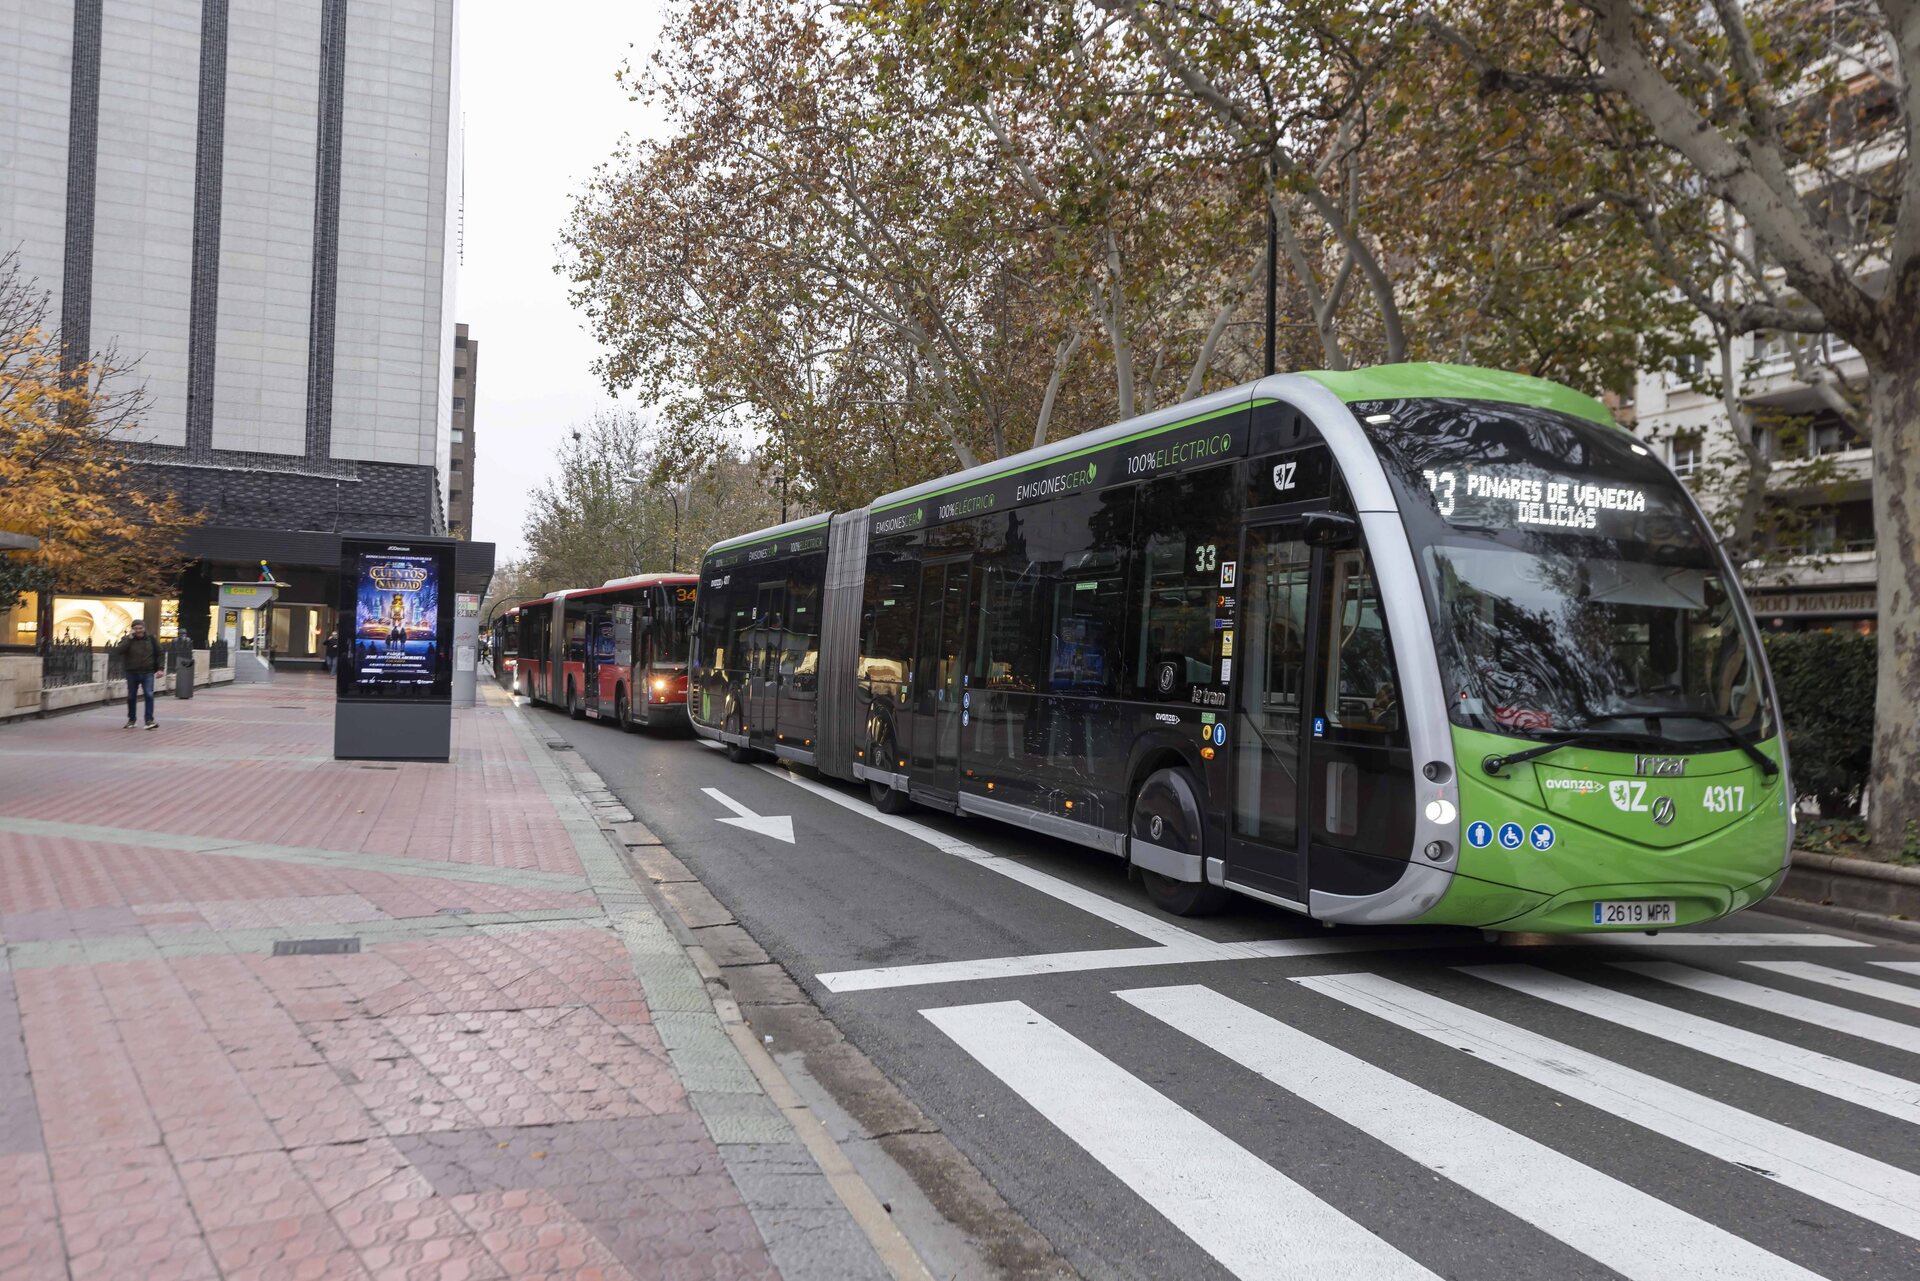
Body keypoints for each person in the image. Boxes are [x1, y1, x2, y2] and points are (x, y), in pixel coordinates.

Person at [118, 620, 163, 730]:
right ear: (132, 629)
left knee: (149, 695)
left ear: (144, 628)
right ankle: (131, 720)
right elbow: (119, 650)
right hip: (132, 672)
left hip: (147, 672)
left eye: (140, 628)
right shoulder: (127, 639)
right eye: (135, 628)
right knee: (131, 697)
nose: (138, 631)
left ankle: (149, 720)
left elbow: (160, 653)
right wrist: (129, 639)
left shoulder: (151, 639)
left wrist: (160, 669)